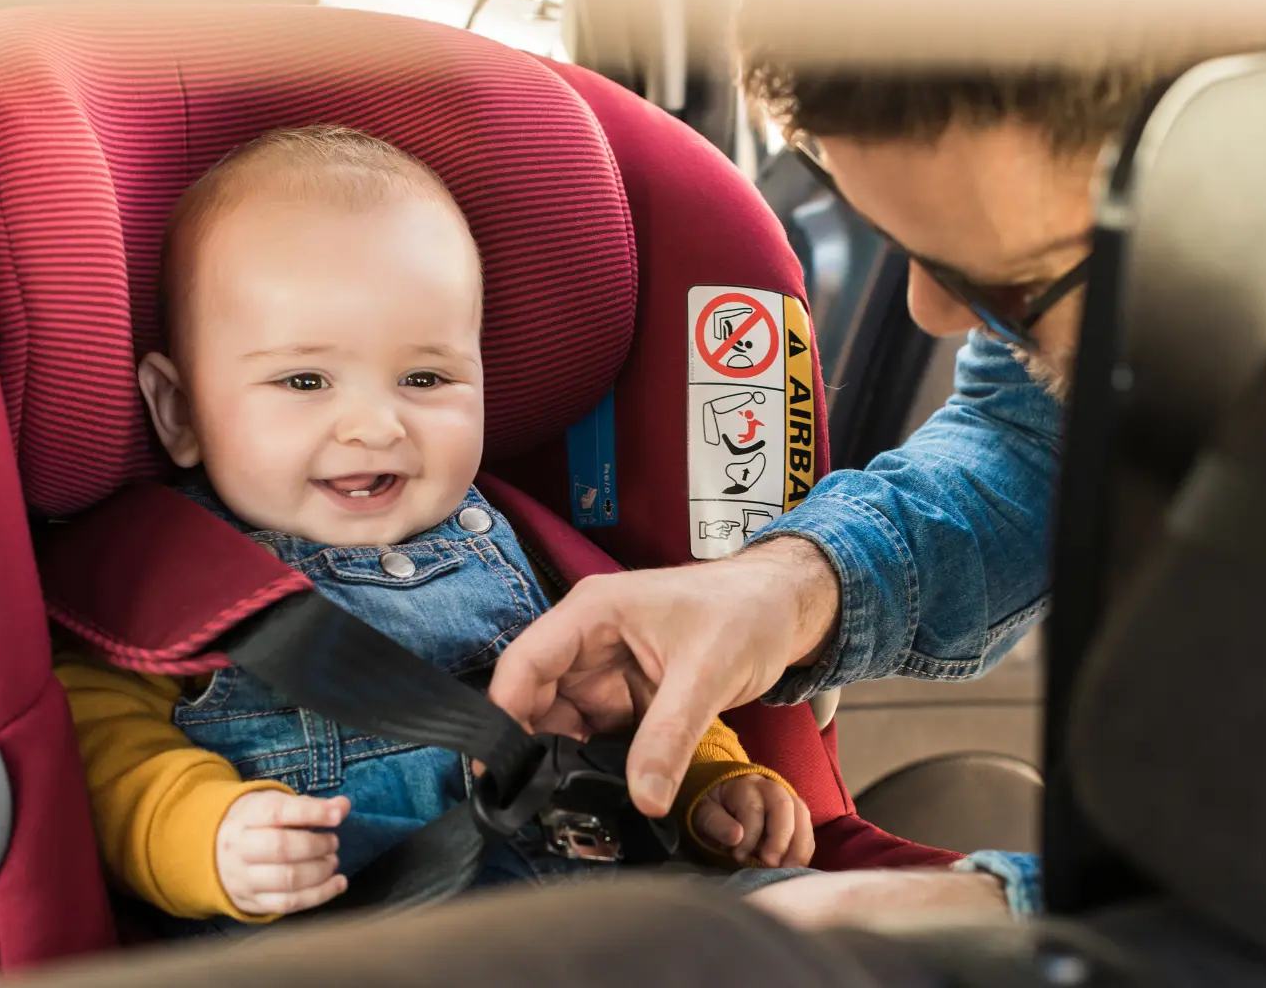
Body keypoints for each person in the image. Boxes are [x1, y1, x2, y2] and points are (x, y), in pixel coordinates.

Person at [487, 11, 1266, 927]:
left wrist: (1006, 910)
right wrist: (786, 586)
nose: (928, 312)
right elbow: (1032, 436)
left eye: (1005, 285)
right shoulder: (1131, 172)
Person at [52, 125, 814, 932]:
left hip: (607, 914)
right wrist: (203, 833)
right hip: (370, 940)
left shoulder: (523, 550)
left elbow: (646, 695)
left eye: (425, 377)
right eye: (304, 380)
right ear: (180, 411)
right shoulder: (166, 584)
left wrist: (711, 788)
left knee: (817, 918)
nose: (376, 426)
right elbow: (99, 755)